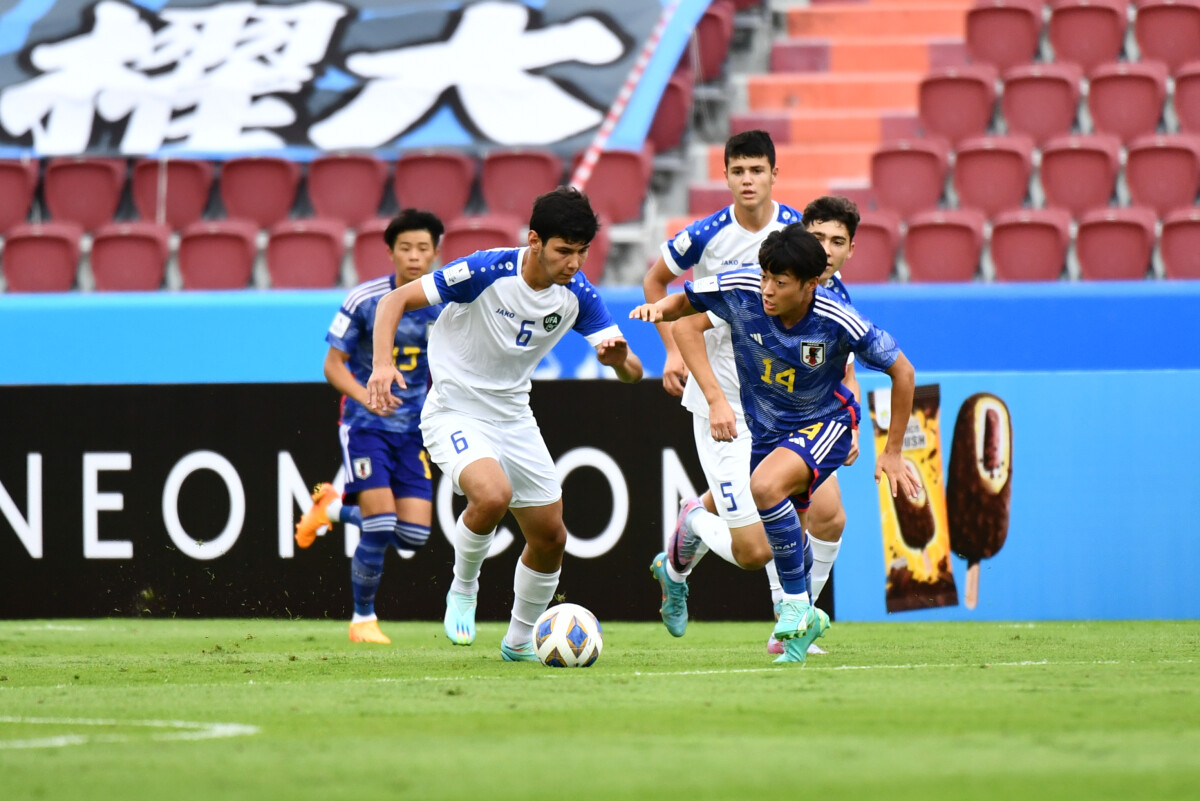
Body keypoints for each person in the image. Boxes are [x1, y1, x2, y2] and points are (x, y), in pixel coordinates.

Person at [366, 187, 643, 661]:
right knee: (491, 494)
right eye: (563, 251)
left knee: (552, 536)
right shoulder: (483, 270)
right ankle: (463, 589)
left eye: (582, 252)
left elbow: (633, 372)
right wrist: (381, 365)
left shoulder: (579, 295)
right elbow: (393, 302)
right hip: (453, 408)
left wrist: (619, 362)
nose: (574, 263)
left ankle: (518, 642)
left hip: (513, 415)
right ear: (534, 241)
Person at [630, 223, 918, 662]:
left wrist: (893, 451)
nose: (766, 289)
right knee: (779, 545)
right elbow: (683, 304)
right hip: (766, 434)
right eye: (764, 277)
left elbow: (903, 371)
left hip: (827, 425)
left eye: (779, 283)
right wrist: (660, 310)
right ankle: (797, 633)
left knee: (769, 490)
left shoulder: (839, 318)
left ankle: (797, 608)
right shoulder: (744, 287)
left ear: (809, 285)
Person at [642, 130, 854, 653]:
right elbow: (657, 286)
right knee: (755, 546)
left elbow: (834, 336)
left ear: (774, 175)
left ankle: (791, 630)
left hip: (789, 404)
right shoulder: (706, 235)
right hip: (728, 403)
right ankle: (692, 526)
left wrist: (843, 412)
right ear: (726, 175)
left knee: (827, 516)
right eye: (738, 170)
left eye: (757, 170)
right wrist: (672, 353)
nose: (748, 180)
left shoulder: (799, 235)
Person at [293, 209, 445, 645]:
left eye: (422, 249)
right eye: (405, 248)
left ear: (436, 252)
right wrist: (367, 397)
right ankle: (363, 620)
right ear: (390, 251)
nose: (414, 257)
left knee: (413, 537)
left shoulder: (447, 301)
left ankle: (332, 510)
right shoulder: (365, 299)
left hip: (415, 431)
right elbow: (332, 365)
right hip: (365, 425)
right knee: (379, 525)